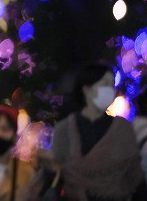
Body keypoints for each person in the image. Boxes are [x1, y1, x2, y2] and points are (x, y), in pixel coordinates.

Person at [45, 63, 146, 201]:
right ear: (87, 89)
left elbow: (134, 178)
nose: (109, 91)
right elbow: (58, 174)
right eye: (105, 84)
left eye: (111, 85)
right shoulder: (65, 129)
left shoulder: (122, 128)